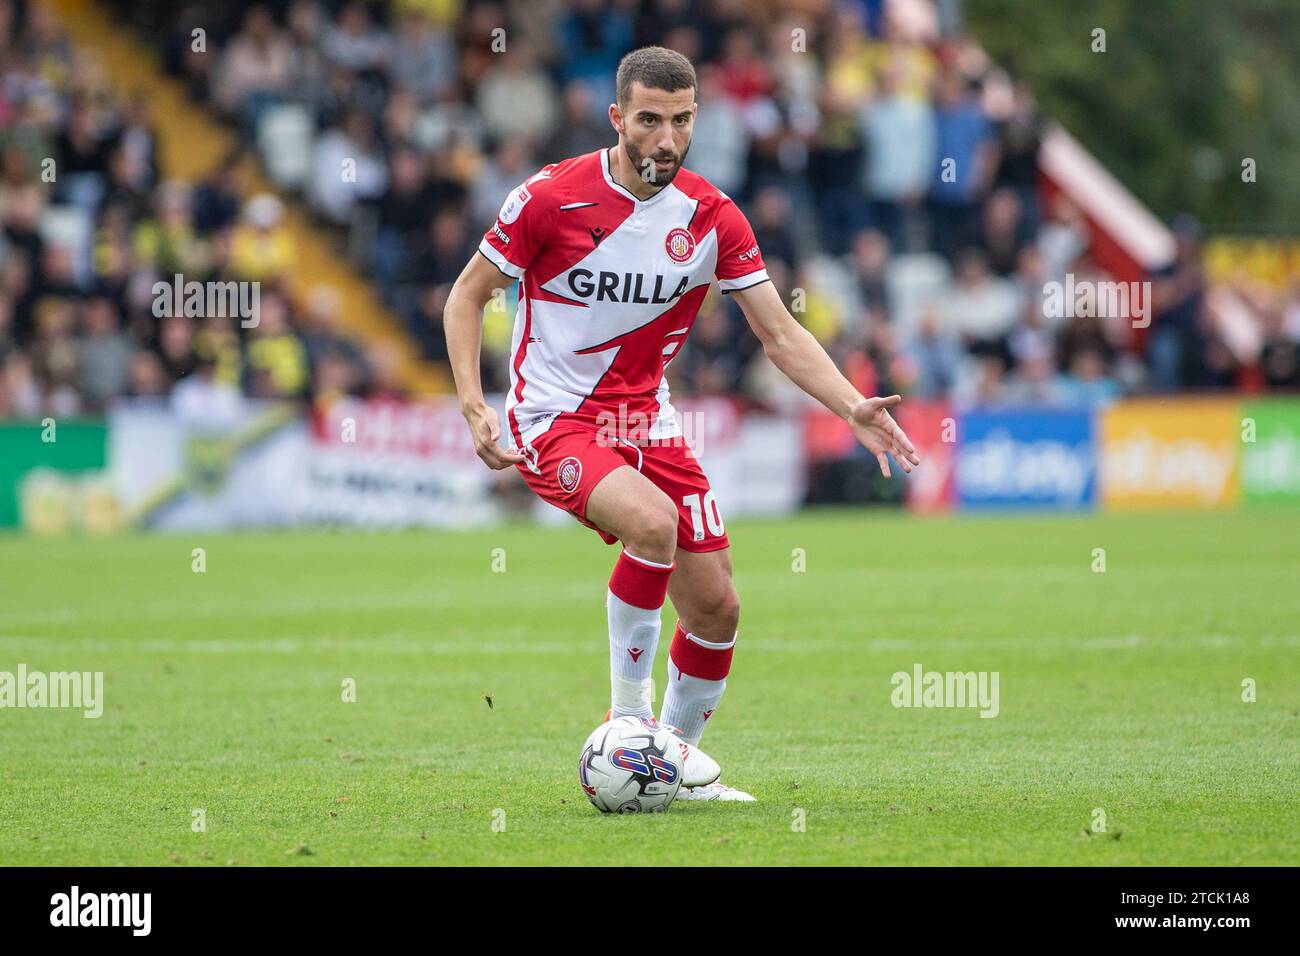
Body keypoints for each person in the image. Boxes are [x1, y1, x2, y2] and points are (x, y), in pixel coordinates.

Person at [444, 46, 918, 802]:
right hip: (553, 417)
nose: (667, 138)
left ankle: (670, 767)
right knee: (653, 524)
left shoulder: (712, 216)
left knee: (718, 607)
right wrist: (474, 402)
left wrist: (850, 404)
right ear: (617, 119)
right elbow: (467, 296)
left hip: (647, 420)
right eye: (650, 120)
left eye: (683, 121)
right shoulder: (548, 198)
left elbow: (781, 335)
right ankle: (627, 727)